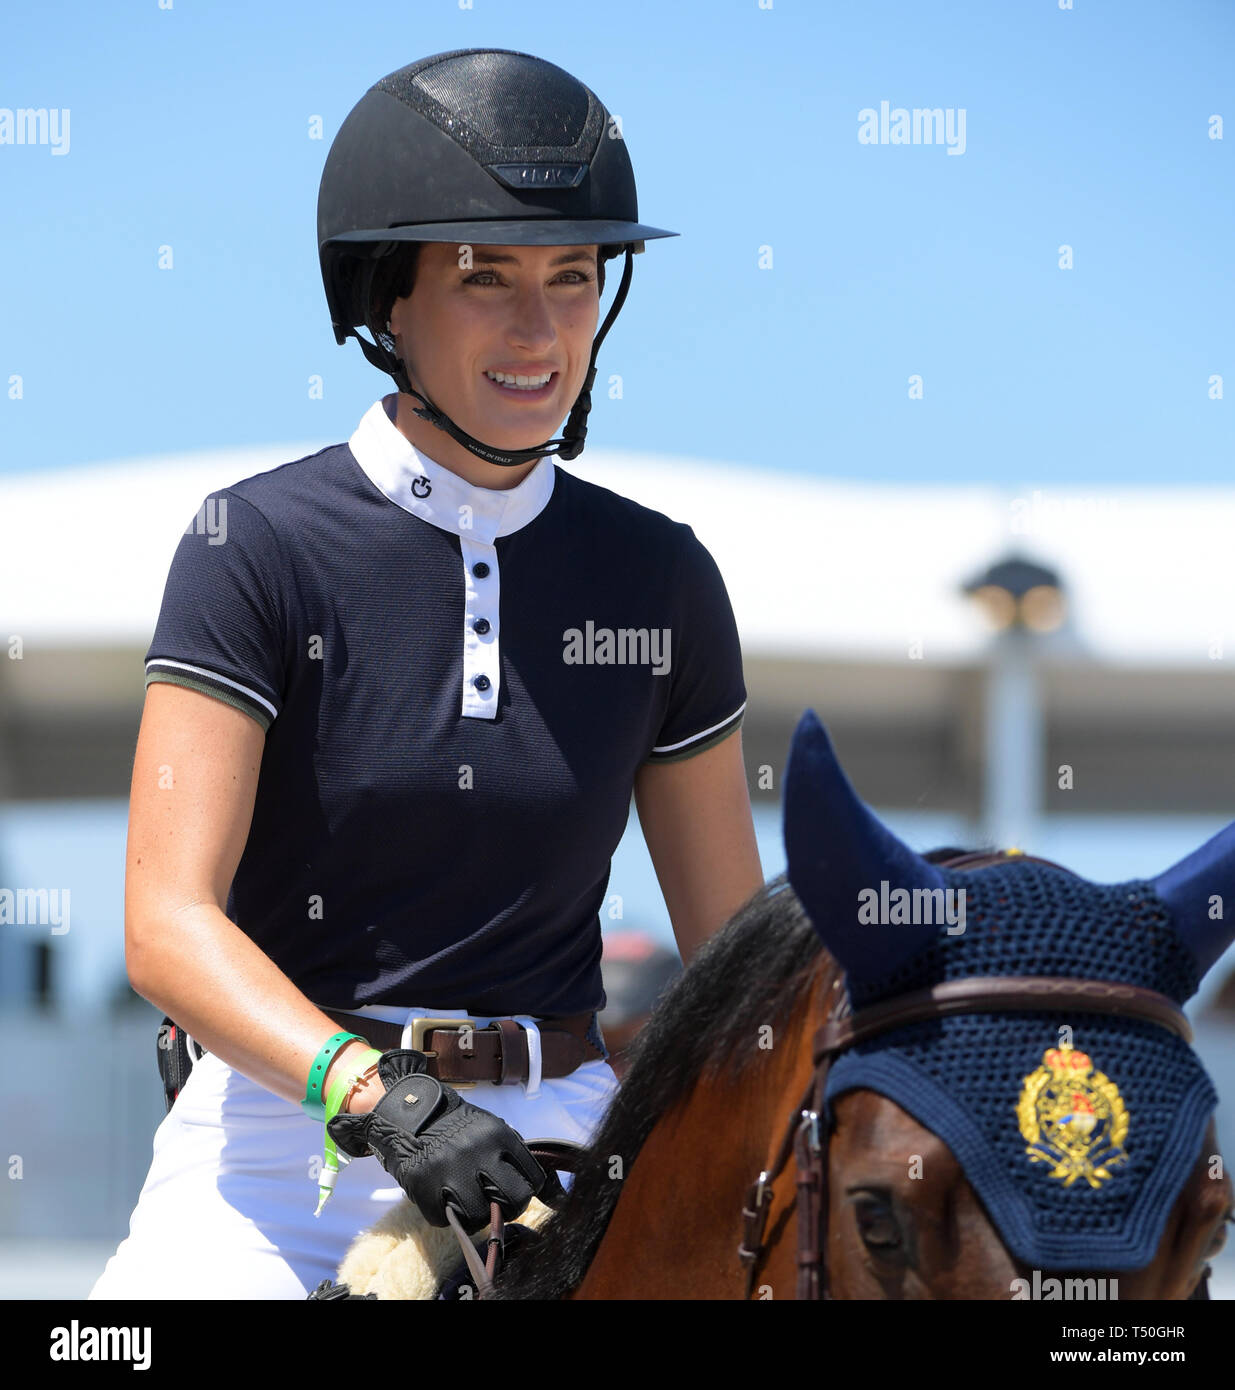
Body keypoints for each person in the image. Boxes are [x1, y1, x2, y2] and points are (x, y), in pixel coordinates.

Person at [89, 48, 763, 1300]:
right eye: (484, 280)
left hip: (561, 1134)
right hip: (286, 1150)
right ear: (387, 301)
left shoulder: (659, 577)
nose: (538, 328)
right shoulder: (255, 547)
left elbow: (732, 950)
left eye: (573, 280)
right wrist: (384, 1098)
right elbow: (167, 923)